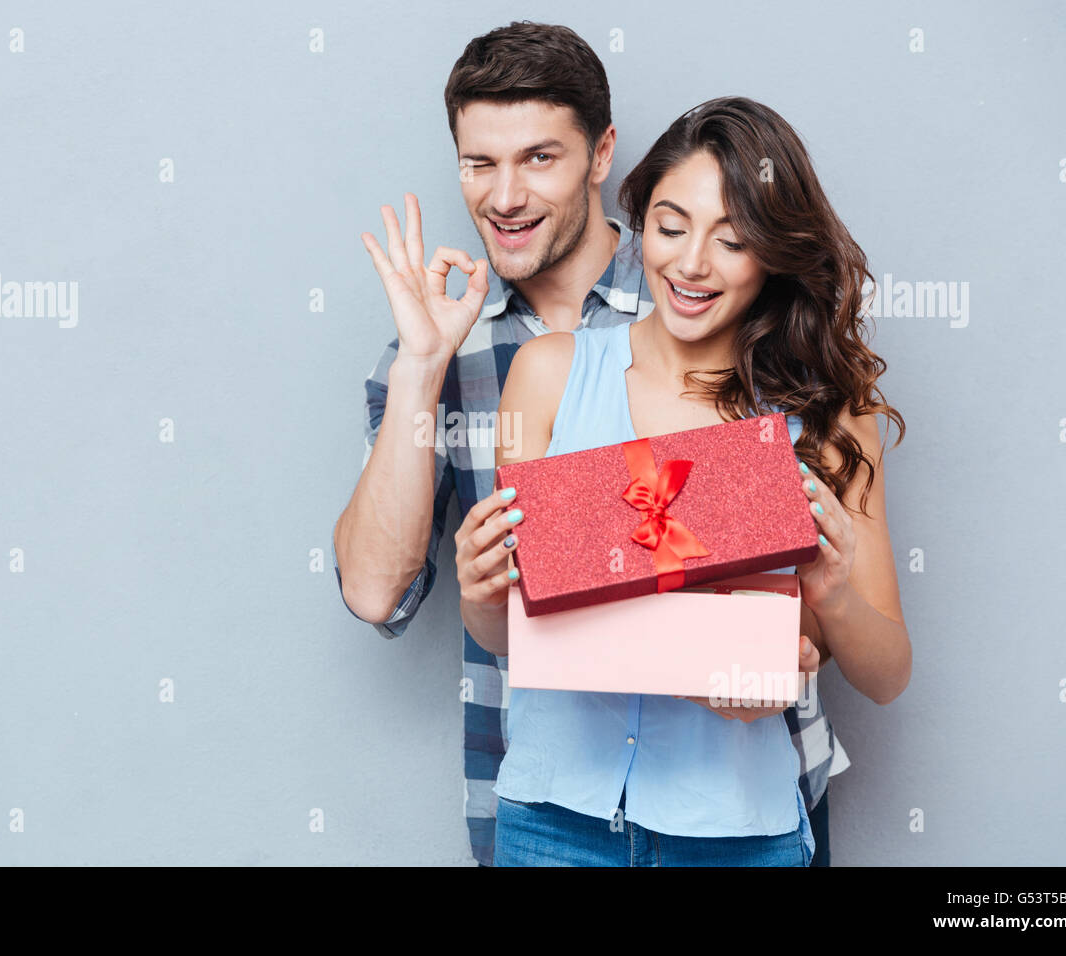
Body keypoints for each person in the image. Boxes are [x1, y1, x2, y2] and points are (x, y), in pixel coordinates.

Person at [332, 22, 849, 866]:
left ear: (602, 154)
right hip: (551, 804)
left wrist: (795, 645)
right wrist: (423, 366)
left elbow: (803, 559)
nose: (503, 196)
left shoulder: (704, 297)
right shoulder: (440, 342)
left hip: (746, 797)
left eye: (539, 158)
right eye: (479, 163)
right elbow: (375, 593)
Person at [455, 96, 912, 866]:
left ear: (773, 254)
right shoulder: (549, 374)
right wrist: (478, 593)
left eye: (732, 242)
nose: (691, 264)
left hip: (735, 828)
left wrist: (828, 600)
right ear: (641, 228)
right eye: (670, 228)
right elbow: (510, 634)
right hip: (553, 815)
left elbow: (888, 673)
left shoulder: (825, 414)